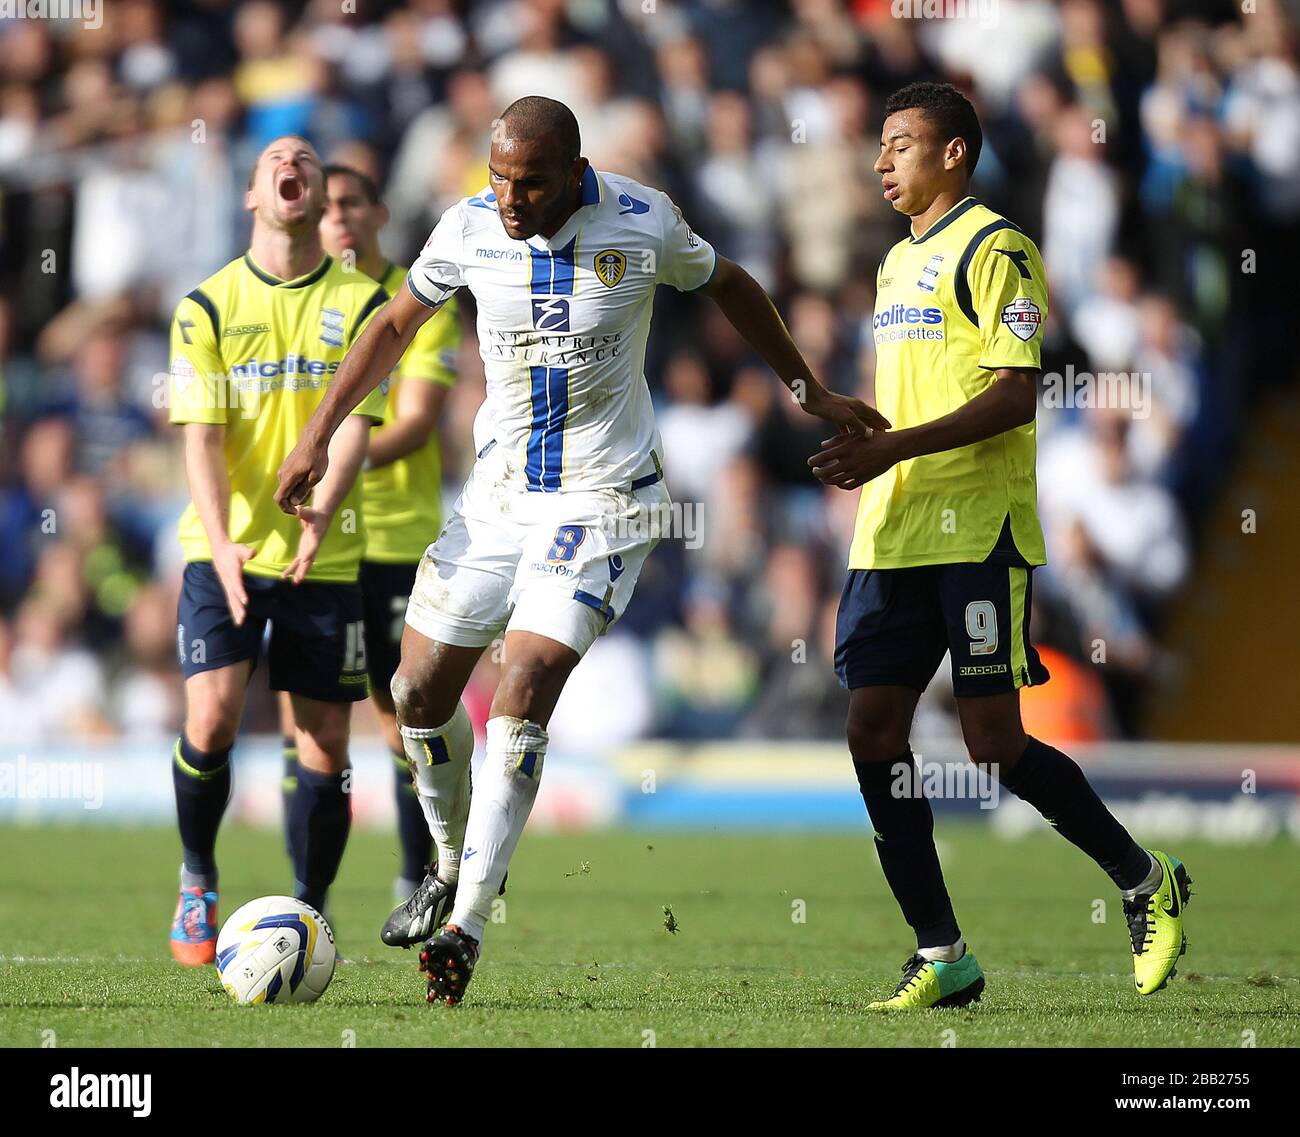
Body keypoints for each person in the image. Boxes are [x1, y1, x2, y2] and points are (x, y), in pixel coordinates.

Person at [276, 95, 884, 1004]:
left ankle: (466, 922)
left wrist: (808, 387)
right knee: (413, 691)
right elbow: (395, 323)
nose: (510, 199)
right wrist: (320, 432)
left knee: (520, 681)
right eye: (498, 178)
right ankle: (452, 862)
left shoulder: (642, 219)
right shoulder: (470, 226)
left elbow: (729, 285)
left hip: (605, 502)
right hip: (496, 497)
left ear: (574, 172)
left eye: (529, 183)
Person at [809, 83, 1191, 1009]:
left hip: (978, 528)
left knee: (991, 740)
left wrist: (891, 443)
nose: (881, 161)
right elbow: (909, 392)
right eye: (881, 146)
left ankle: (1146, 879)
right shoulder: (895, 264)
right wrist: (856, 424)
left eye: (901, 145)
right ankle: (941, 951)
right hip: (894, 528)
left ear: (954, 154)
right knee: (871, 729)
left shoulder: (998, 248)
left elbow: (1018, 394)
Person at [167, 135, 389, 965]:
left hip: (322, 555)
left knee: (326, 745)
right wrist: (222, 543)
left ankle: (309, 911)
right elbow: (202, 438)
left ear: (319, 192)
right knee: (213, 717)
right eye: (274, 160)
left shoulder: (365, 302)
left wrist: (324, 512)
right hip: (226, 550)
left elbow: (361, 424)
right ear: (255, 196)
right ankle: (197, 875)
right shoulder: (209, 304)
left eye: (307, 159)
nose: (292, 165)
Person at [277, 164, 469, 919]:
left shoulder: (421, 301)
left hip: (394, 539)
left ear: (380, 213)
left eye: (356, 203)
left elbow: (417, 419)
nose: (343, 218)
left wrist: (330, 455)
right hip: (312, 545)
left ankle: (417, 871)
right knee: (312, 721)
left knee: (402, 711)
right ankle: (307, 894)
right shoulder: (304, 304)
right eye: (332, 207)